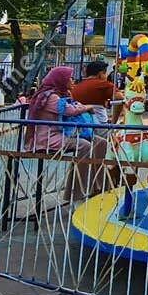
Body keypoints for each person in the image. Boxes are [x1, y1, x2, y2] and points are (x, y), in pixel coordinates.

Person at [27, 66, 105, 200]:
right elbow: (70, 110)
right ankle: (77, 191)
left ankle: (98, 185)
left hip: (63, 132)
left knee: (101, 142)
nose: (72, 80)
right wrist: (87, 107)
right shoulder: (49, 97)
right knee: (84, 145)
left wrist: (81, 107)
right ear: (61, 80)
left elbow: (74, 106)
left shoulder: (62, 94)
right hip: (48, 137)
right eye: (69, 78)